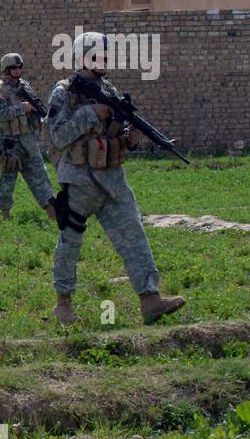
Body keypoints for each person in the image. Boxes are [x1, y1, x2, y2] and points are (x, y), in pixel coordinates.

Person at [45, 32, 186, 325]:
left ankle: (150, 299)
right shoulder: (63, 92)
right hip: (79, 181)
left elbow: (113, 133)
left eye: (108, 56)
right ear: (82, 57)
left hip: (112, 180)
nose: (105, 61)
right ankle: (63, 304)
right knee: (70, 242)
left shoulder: (108, 89)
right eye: (98, 56)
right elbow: (57, 136)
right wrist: (89, 113)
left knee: (134, 234)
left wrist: (129, 139)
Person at [0, 52, 57, 221]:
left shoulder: (24, 86)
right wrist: (22, 107)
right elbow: (1, 114)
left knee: (39, 172)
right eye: (14, 68)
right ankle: (5, 213)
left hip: (27, 138)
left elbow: (34, 106)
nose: (18, 70)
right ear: (6, 69)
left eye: (20, 67)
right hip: (9, 141)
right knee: (9, 176)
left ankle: (51, 209)